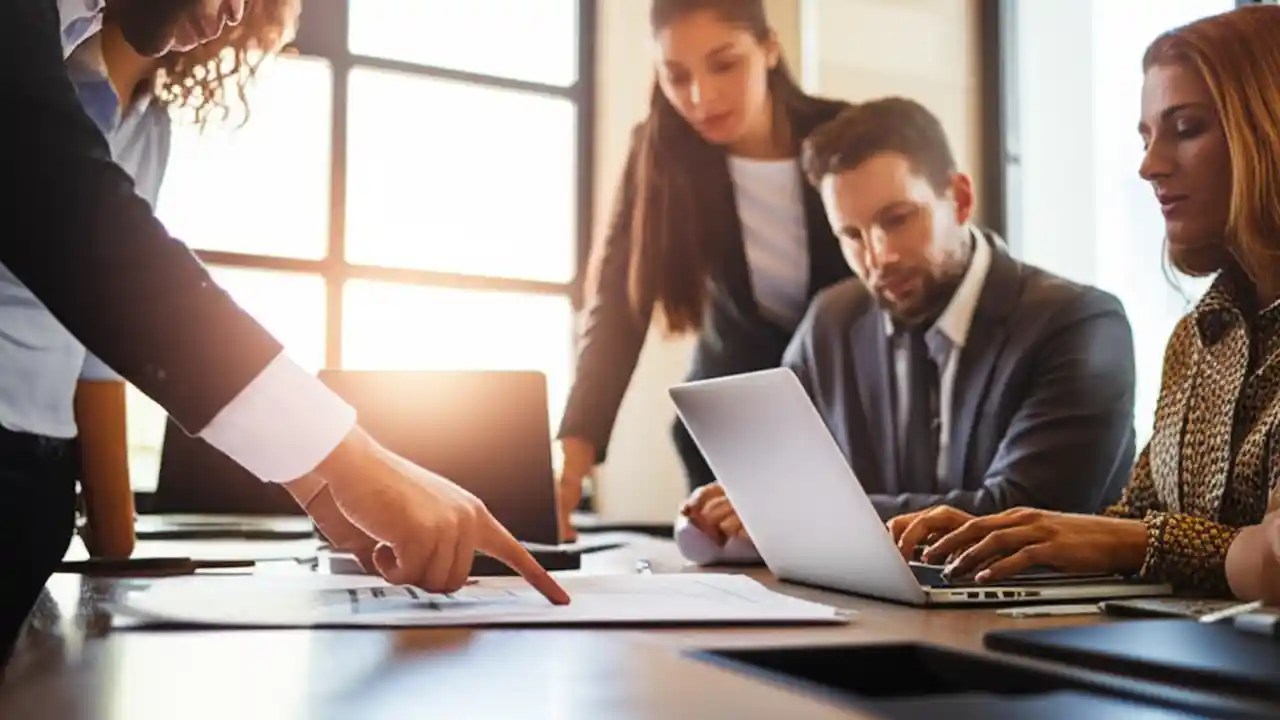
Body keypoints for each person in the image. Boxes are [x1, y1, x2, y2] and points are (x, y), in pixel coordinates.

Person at [1, 0, 567, 656]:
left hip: (36, 483)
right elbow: (61, 207)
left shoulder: (82, 41)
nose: (238, 12)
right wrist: (351, 461)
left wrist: (315, 472)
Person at [888, 5, 1280, 600]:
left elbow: (1271, 559)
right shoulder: (1200, 336)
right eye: (1147, 137)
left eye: (1187, 128)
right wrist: (999, 535)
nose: (1151, 165)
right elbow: (1138, 518)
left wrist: (1127, 542)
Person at [676, 98, 1138, 564]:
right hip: (874, 614)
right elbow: (780, 482)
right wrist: (735, 504)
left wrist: (789, 517)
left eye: (897, 220)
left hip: (1037, 621)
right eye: (852, 235)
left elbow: (1018, 519)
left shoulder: (1079, 324)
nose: (879, 257)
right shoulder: (831, 323)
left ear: (959, 199)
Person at [556, 0, 853, 538]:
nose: (701, 96)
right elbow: (619, 310)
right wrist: (568, 470)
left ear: (768, 49)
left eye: (724, 64)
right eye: (676, 75)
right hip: (731, 435)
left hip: (848, 422)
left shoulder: (843, 132)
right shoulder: (660, 150)